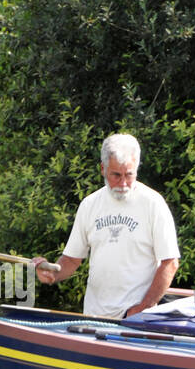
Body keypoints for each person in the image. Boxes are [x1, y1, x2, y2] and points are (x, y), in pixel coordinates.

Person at [32, 133, 180, 318]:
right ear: (103, 169)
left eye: (129, 175)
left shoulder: (153, 204)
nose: (123, 183)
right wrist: (52, 273)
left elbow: (170, 262)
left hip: (134, 319)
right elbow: (72, 260)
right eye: (116, 175)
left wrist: (143, 308)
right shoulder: (89, 205)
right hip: (94, 317)